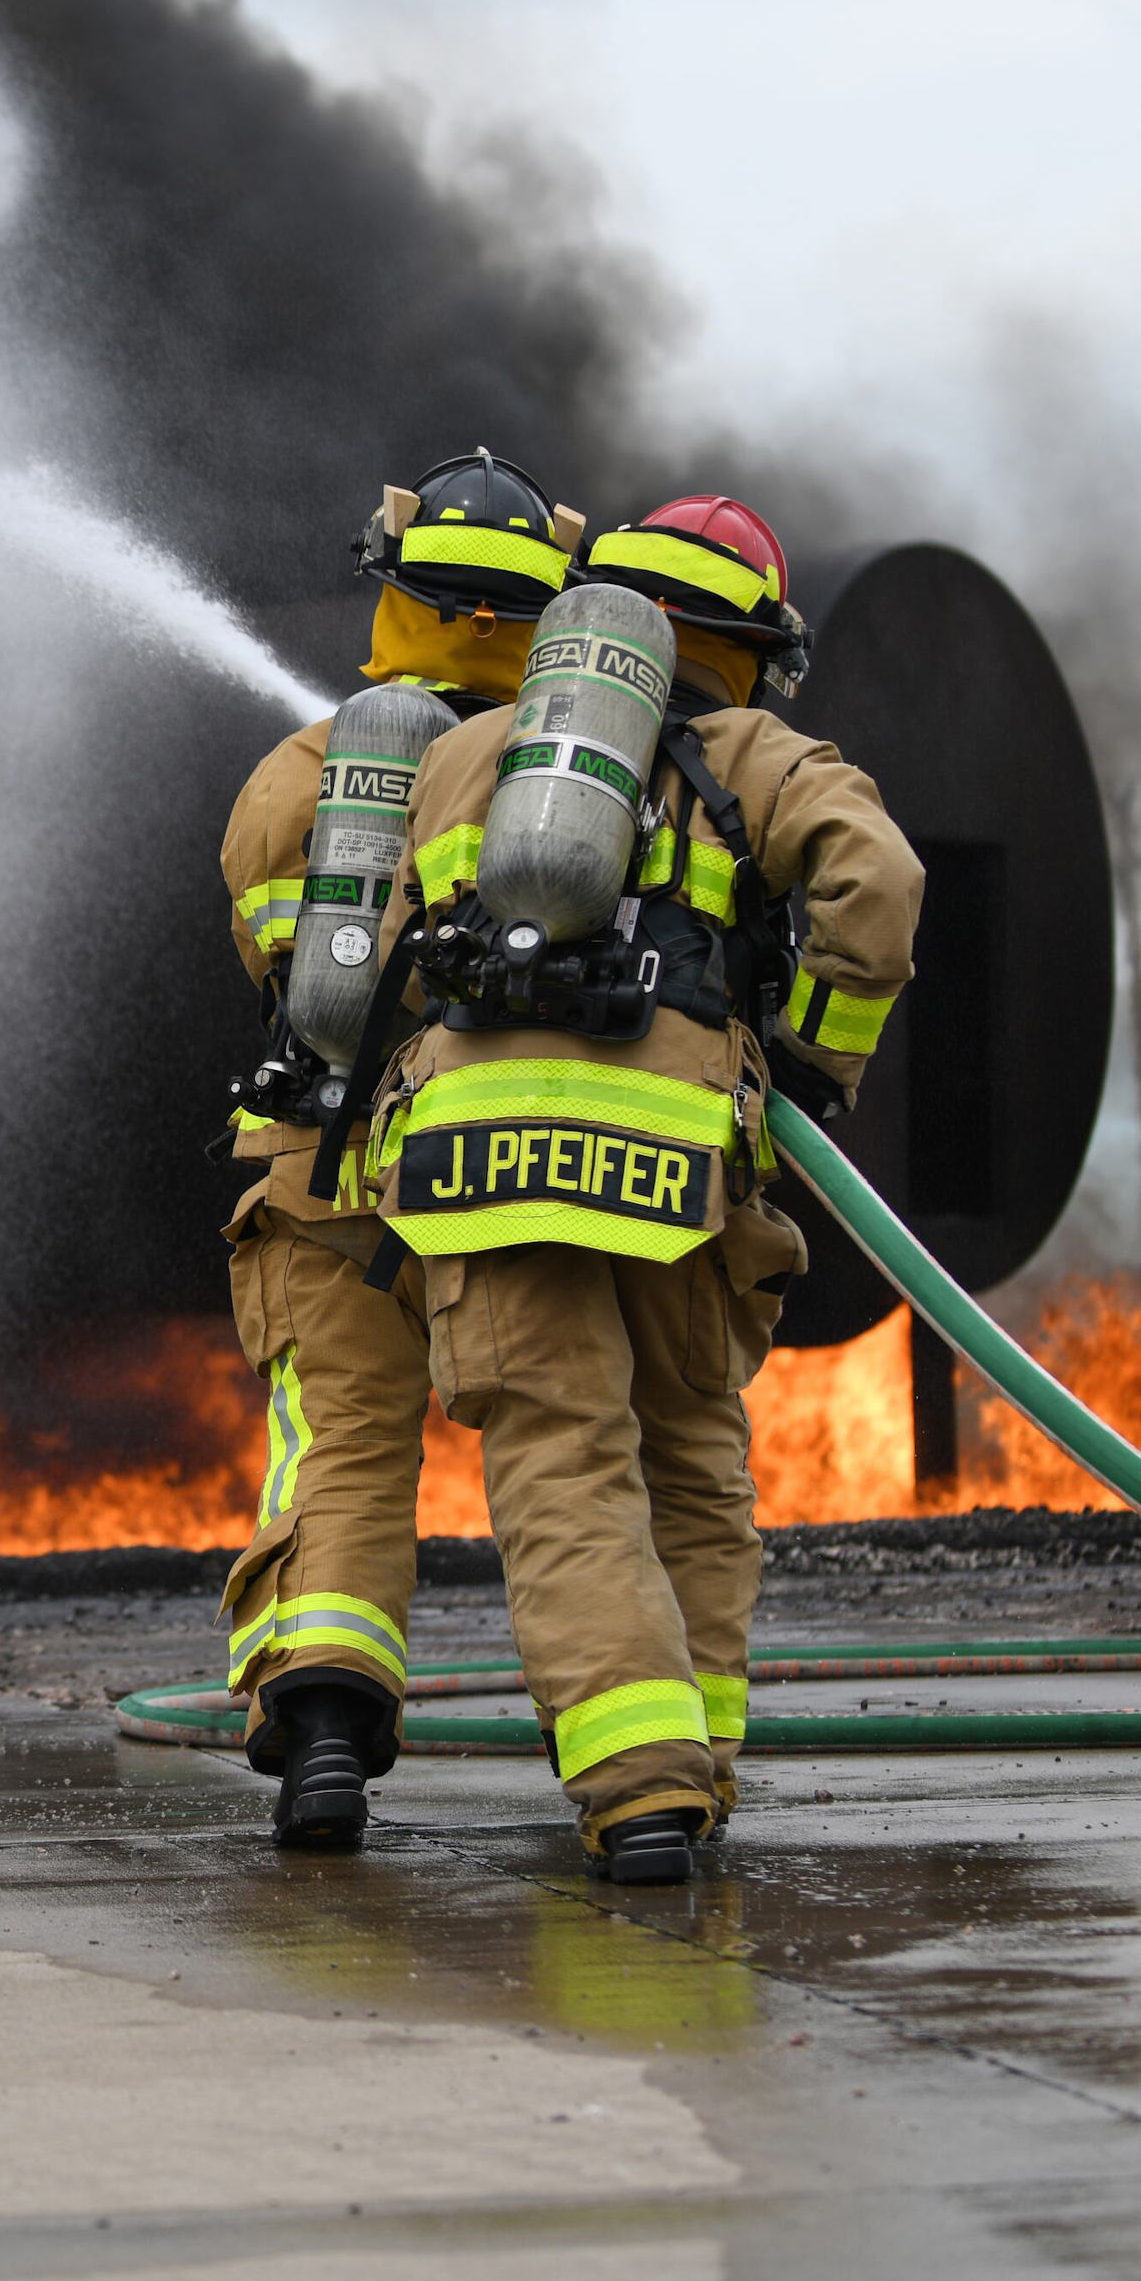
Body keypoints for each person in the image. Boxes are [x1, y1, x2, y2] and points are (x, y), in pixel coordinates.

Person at [358, 493, 920, 1882]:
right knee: (690, 1455)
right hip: (676, 1163)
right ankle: (700, 1770)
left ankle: (637, 1789)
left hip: (481, 1161)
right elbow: (880, 887)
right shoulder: (761, 755)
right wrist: (816, 1062)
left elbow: (380, 974)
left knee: (561, 1461)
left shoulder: (463, 758)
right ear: (736, 645)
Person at [216, 448, 581, 1851]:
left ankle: (320, 1727)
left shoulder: (309, 769)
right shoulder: (576, 777)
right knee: (566, 1455)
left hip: (330, 1170)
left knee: (345, 1445)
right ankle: (643, 1762)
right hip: (517, 1164)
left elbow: (267, 947)